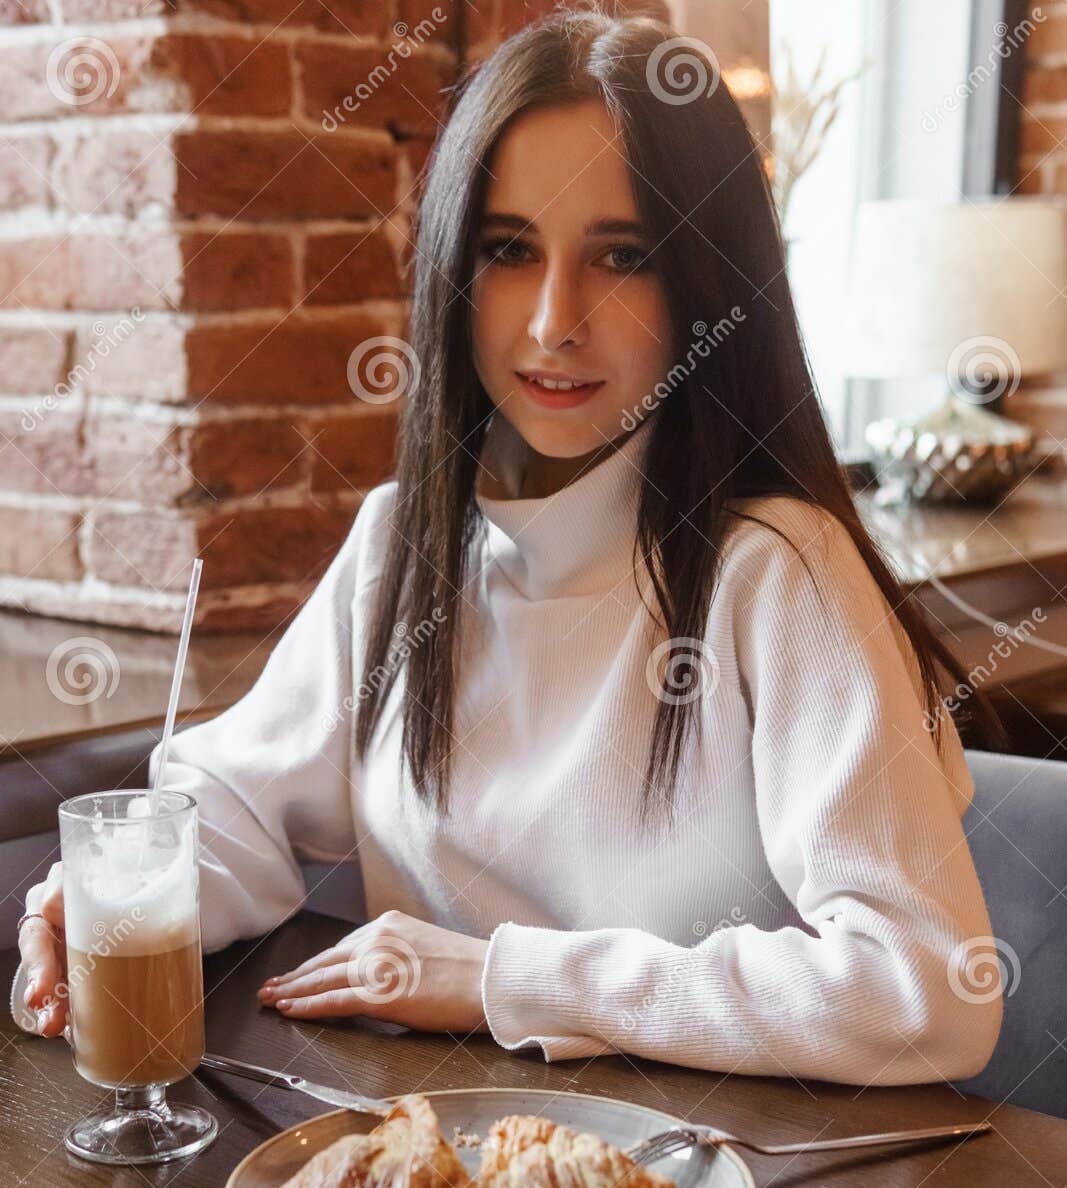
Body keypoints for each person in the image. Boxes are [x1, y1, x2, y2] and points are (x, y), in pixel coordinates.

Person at [14, 5, 1005, 1086]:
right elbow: (241, 807)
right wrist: (117, 889)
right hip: (429, 1157)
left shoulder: (778, 569)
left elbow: (924, 989)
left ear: (707, 284)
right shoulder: (401, 543)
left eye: (621, 255)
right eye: (509, 250)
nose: (551, 321)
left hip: (724, 1171)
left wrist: (505, 977)